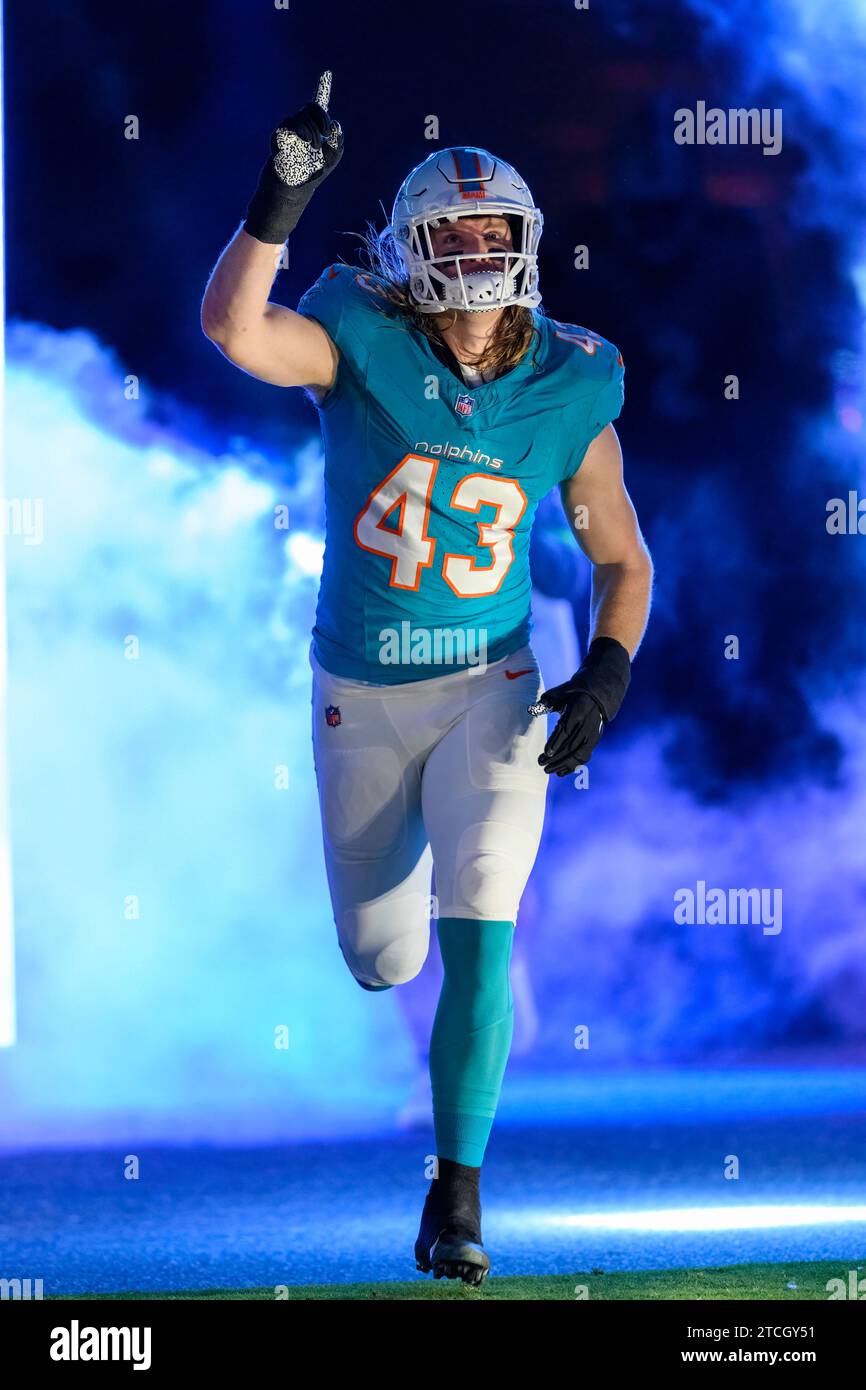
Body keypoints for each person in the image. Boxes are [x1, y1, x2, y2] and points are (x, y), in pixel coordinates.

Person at [201, 73, 653, 1286]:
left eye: (491, 231)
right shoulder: (355, 327)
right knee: (380, 957)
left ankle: (454, 1201)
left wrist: (605, 666)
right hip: (359, 685)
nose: (472, 251)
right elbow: (234, 330)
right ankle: (433, 1134)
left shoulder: (572, 379)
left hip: (491, 684)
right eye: (449, 232)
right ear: (406, 247)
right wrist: (278, 199)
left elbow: (622, 556)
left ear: (526, 244)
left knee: (481, 938)